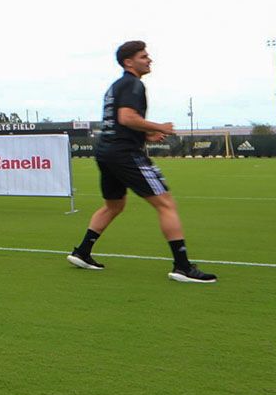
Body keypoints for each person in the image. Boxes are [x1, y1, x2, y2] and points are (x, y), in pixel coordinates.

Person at [67, 40, 216, 283]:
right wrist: (160, 126)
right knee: (166, 204)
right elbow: (127, 117)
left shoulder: (117, 86)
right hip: (125, 154)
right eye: (144, 56)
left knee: (114, 206)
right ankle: (182, 267)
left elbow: (117, 121)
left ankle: (82, 252)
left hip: (107, 152)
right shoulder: (133, 84)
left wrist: (147, 134)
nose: (149, 60)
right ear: (129, 62)